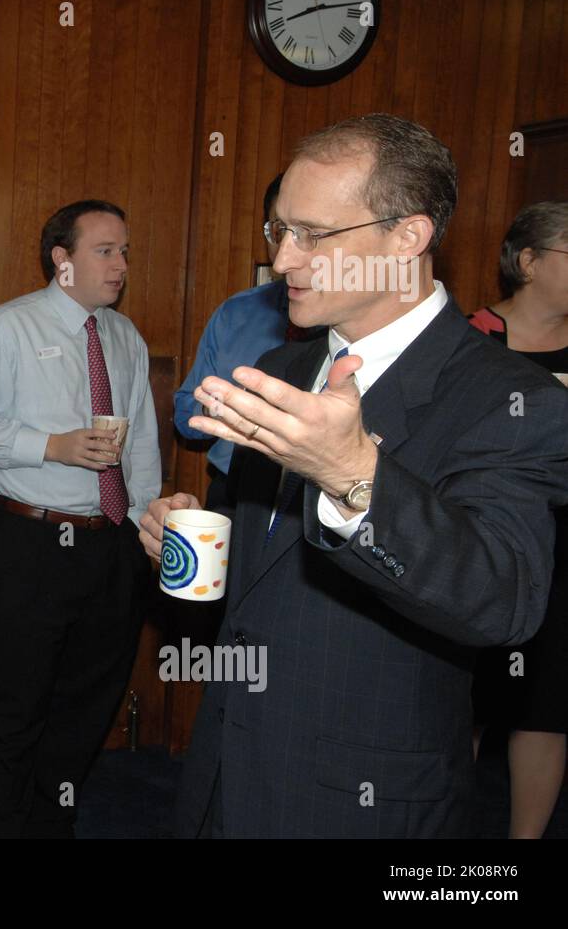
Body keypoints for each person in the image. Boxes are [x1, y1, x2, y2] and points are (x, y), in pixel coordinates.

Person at [137, 114, 568, 838]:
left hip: (361, 801)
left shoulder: (510, 400)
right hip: (224, 773)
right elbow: (265, 573)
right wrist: (189, 543)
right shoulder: (281, 366)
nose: (282, 261)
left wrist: (353, 475)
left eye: (313, 234)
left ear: (407, 238)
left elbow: (503, 601)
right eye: (280, 231)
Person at [0, 200, 161, 837]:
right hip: (28, 542)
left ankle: (53, 827)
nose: (121, 265)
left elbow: (140, 447)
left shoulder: (125, 337)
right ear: (62, 259)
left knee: (87, 706)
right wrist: (52, 445)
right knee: (14, 707)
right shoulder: (7, 328)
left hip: (112, 546)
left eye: (125, 251)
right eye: (105, 250)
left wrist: (146, 529)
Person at [470, 200, 568, 838]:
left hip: (563, 558)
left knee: (548, 709)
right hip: (484, 548)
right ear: (527, 261)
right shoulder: (471, 337)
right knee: (464, 704)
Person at [175, 173, 321, 509]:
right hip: (233, 495)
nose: (286, 248)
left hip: (314, 502)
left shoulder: (349, 322)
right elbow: (185, 412)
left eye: (307, 233)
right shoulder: (237, 312)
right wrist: (223, 409)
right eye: (279, 230)